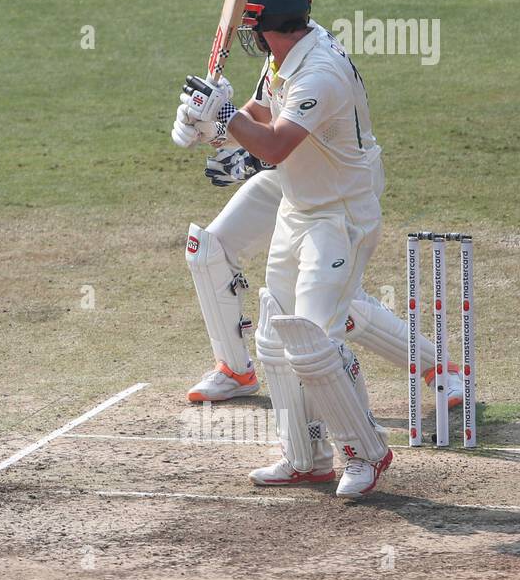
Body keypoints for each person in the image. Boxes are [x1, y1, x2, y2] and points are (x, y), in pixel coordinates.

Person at [174, 0, 394, 497]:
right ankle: (305, 459)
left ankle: (367, 453)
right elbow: (256, 114)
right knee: (276, 339)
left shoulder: (320, 72)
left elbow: (272, 145)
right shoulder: (284, 56)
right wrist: (205, 122)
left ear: (261, 25)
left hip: (340, 217)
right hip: (301, 207)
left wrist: (223, 112)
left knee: (314, 341)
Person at [182, 141, 463, 407]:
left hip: (338, 182)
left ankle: (437, 366)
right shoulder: (280, 86)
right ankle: (234, 370)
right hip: (290, 175)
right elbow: (261, 112)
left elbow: (292, 136)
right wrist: (214, 126)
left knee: (331, 300)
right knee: (208, 249)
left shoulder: (325, 86)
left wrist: (254, 157)